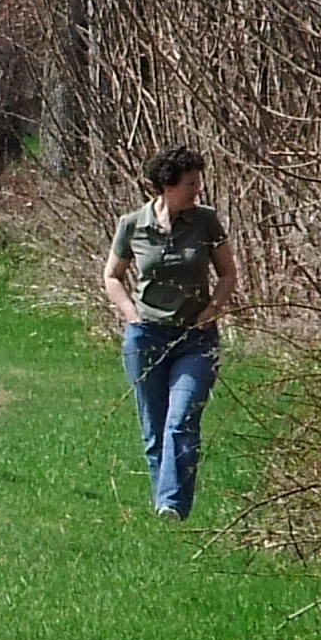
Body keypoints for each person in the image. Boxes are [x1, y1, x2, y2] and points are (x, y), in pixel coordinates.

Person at [103, 143, 243, 518]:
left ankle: (173, 505)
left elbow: (228, 273)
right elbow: (112, 277)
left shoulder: (206, 221)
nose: (197, 191)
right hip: (146, 337)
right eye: (190, 184)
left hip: (195, 340)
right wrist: (131, 314)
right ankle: (162, 504)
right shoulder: (133, 225)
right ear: (166, 185)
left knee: (181, 421)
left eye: (199, 183)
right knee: (155, 429)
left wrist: (213, 309)